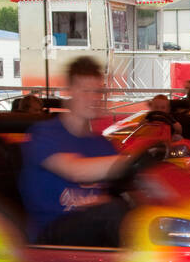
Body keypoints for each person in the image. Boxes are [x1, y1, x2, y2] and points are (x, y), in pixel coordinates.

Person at [19, 56, 139, 247]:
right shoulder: (42, 134)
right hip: (49, 239)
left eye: (97, 92)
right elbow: (75, 170)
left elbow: (119, 190)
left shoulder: (102, 145)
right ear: (69, 91)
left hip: (91, 234)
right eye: (86, 91)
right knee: (113, 212)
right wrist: (133, 159)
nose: (93, 98)